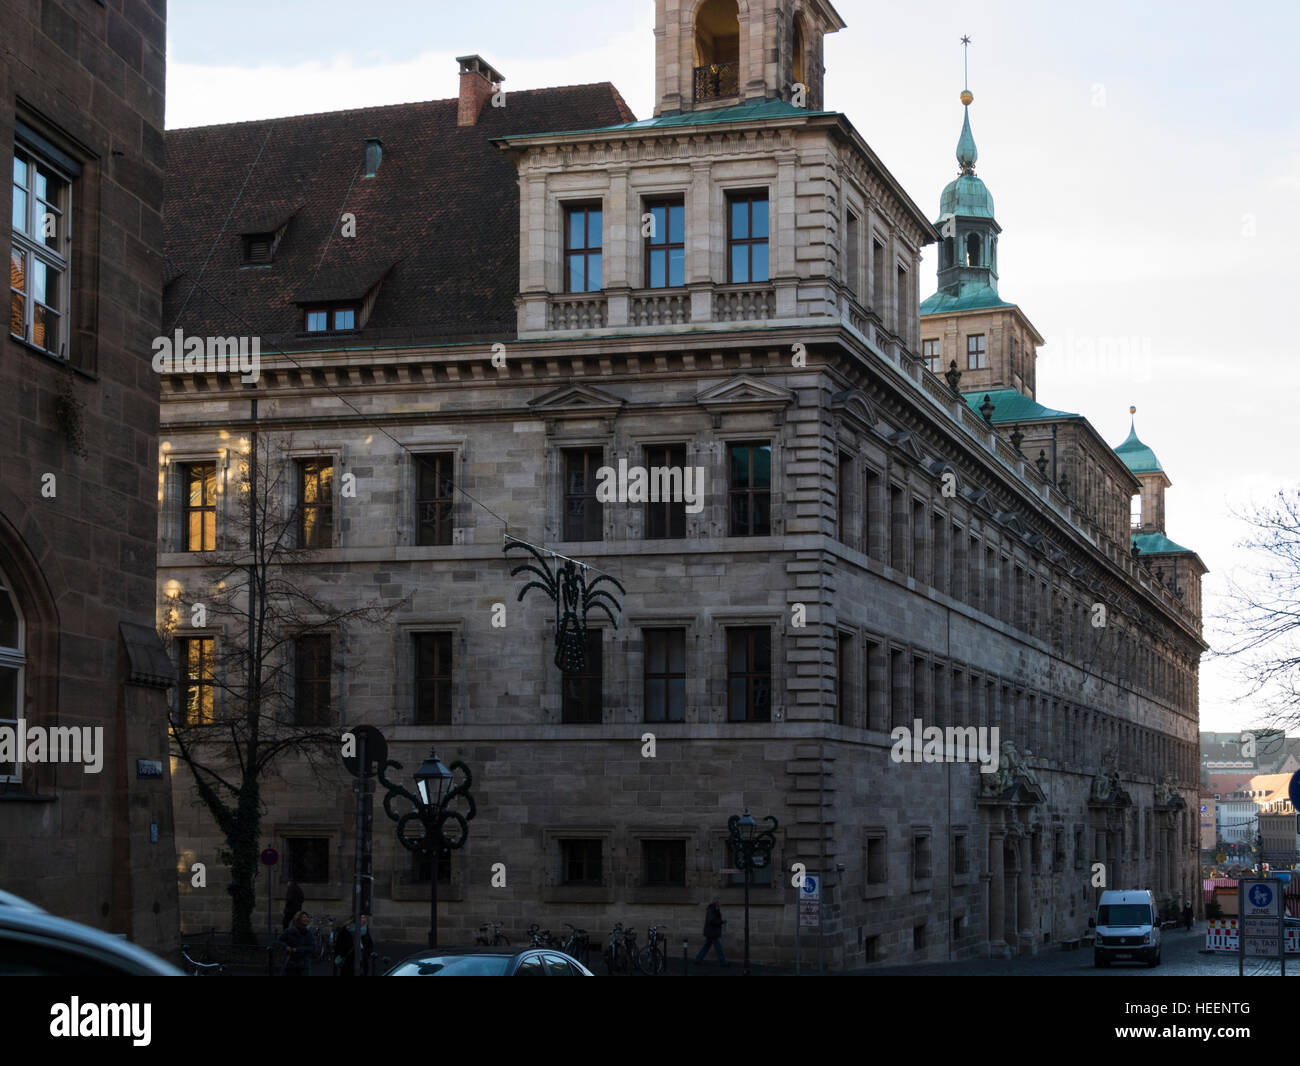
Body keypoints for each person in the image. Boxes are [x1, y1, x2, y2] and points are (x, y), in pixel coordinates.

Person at [278, 910, 315, 976]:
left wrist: (298, 949)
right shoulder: (290, 931)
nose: (306, 919)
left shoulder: (309, 933)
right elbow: (279, 941)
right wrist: (286, 946)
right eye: (304, 917)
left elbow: (312, 947)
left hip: (304, 964)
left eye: (307, 917)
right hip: (290, 963)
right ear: (298, 919)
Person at [694, 897, 728, 967]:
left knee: (706, 946)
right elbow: (711, 920)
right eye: (719, 902)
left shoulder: (715, 909)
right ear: (716, 903)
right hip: (712, 932)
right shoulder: (711, 909)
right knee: (718, 948)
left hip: (712, 932)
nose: (720, 903)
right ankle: (723, 962)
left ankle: (698, 959)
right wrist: (721, 921)